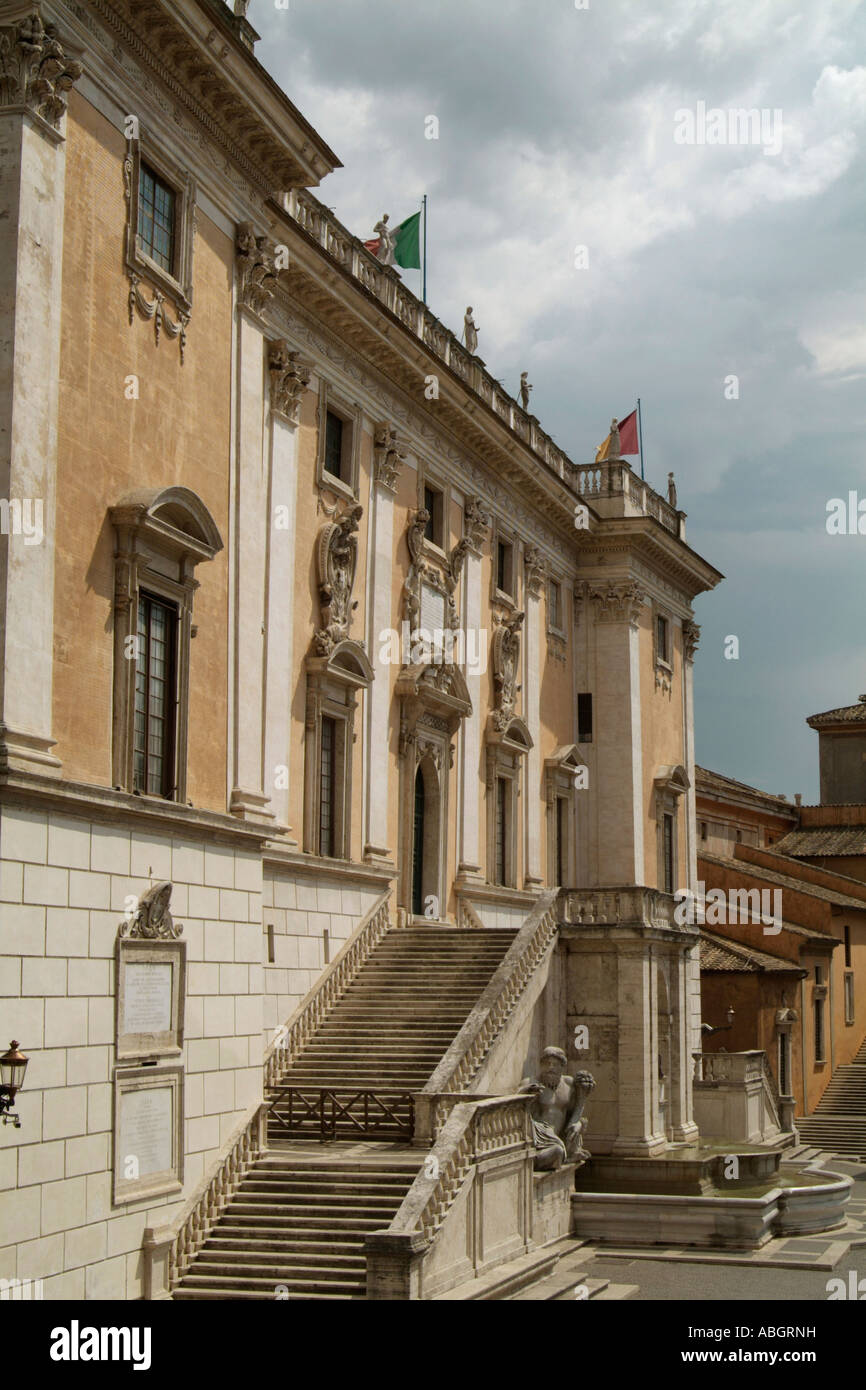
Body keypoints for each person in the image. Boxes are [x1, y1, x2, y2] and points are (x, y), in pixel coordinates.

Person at [519, 1047, 596, 1171]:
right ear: (541, 1065)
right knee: (557, 1152)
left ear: (562, 1067)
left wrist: (578, 1122)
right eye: (547, 1063)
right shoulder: (531, 1082)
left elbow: (573, 1113)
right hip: (539, 1138)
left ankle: (567, 1153)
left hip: (558, 1138)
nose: (551, 1068)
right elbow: (514, 1107)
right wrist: (526, 1092)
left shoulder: (568, 1084)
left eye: (555, 1064)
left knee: (569, 1137)